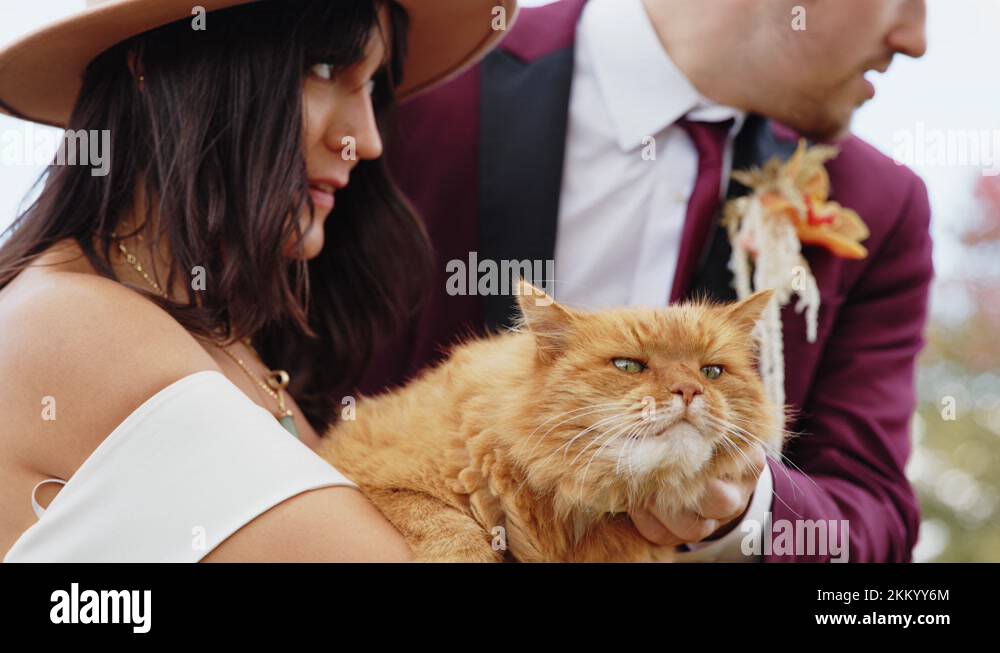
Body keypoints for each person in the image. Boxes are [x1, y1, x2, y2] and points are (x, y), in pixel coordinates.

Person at [360, 0, 932, 562]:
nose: (915, 39)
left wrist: (740, 513)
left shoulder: (878, 204)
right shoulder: (417, 76)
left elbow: (875, 515)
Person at [0, 0, 515, 562]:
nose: (366, 140)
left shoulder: (208, 330)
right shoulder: (79, 326)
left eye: (373, 88)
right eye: (323, 70)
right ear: (151, 63)